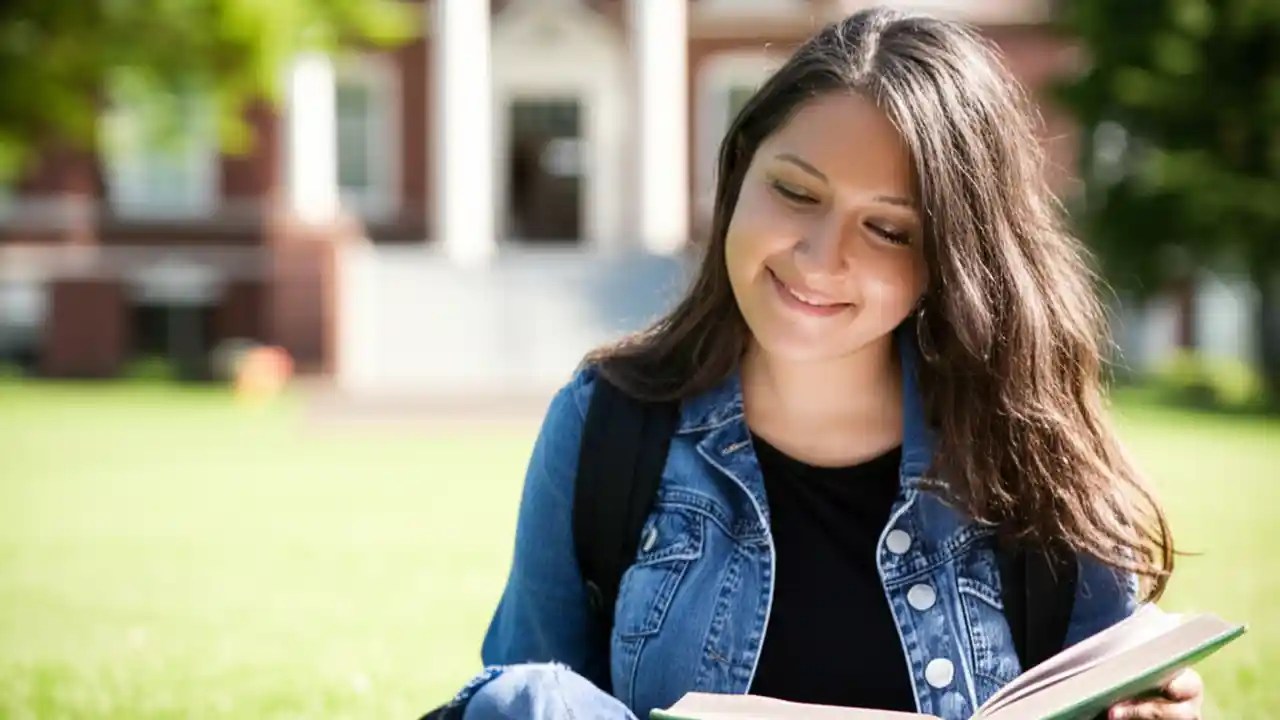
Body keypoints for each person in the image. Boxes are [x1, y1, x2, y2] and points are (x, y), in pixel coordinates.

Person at [440, 8, 1203, 720]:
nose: (820, 257)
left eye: (888, 229)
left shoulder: (1034, 452)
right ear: (739, 172)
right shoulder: (604, 425)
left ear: (950, 259)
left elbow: (1112, 690)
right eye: (796, 191)